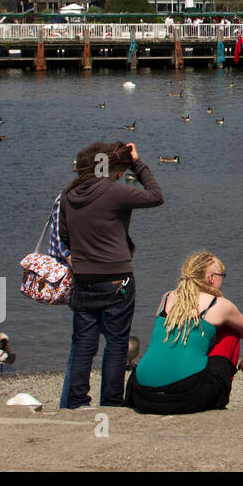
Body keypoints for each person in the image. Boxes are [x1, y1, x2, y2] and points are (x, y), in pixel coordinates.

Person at [57, 141, 163, 409]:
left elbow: (65, 238)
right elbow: (156, 196)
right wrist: (138, 163)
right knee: (116, 344)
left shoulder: (68, 196)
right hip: (117, 279)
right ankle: (111, 402)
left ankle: (78, 402)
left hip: (83, 280)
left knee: (84, 345)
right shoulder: (115, 193)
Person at [125, 252, 243, 414]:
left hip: (142, 393)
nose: (223, 280)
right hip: (184, 396)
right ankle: (219, 397)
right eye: (222, 275)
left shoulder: (167, 297)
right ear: (211, 278)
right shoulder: (218, 304)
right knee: (231, 331)